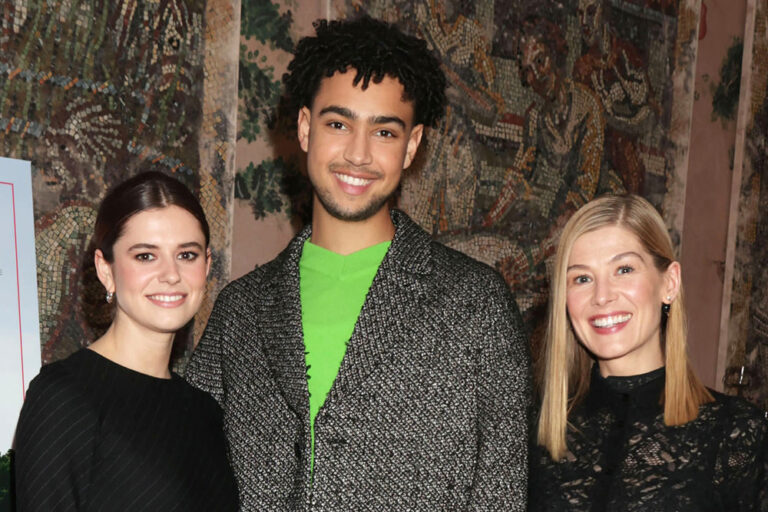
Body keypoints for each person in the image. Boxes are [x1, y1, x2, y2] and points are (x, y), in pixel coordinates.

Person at [186, 15, 531, 511]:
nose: (358, 154)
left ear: (412, 146)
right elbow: (182, 464)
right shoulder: (241, 310)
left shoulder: (475, 303)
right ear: (305, 128)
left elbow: (502, 491)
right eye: (339, 123)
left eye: (385, 133)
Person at [14, 171, 238, 511]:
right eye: (145, 256)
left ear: (207, 266)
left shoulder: (206, 413)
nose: (171, 274)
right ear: (106, 270)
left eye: (187, 255)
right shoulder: (63, 398)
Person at [529, 194, 768, 511]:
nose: (602, 296)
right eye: (582, 278)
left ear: (669, 283)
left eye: (624, 270)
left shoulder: (735, 433)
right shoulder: (532, 433)